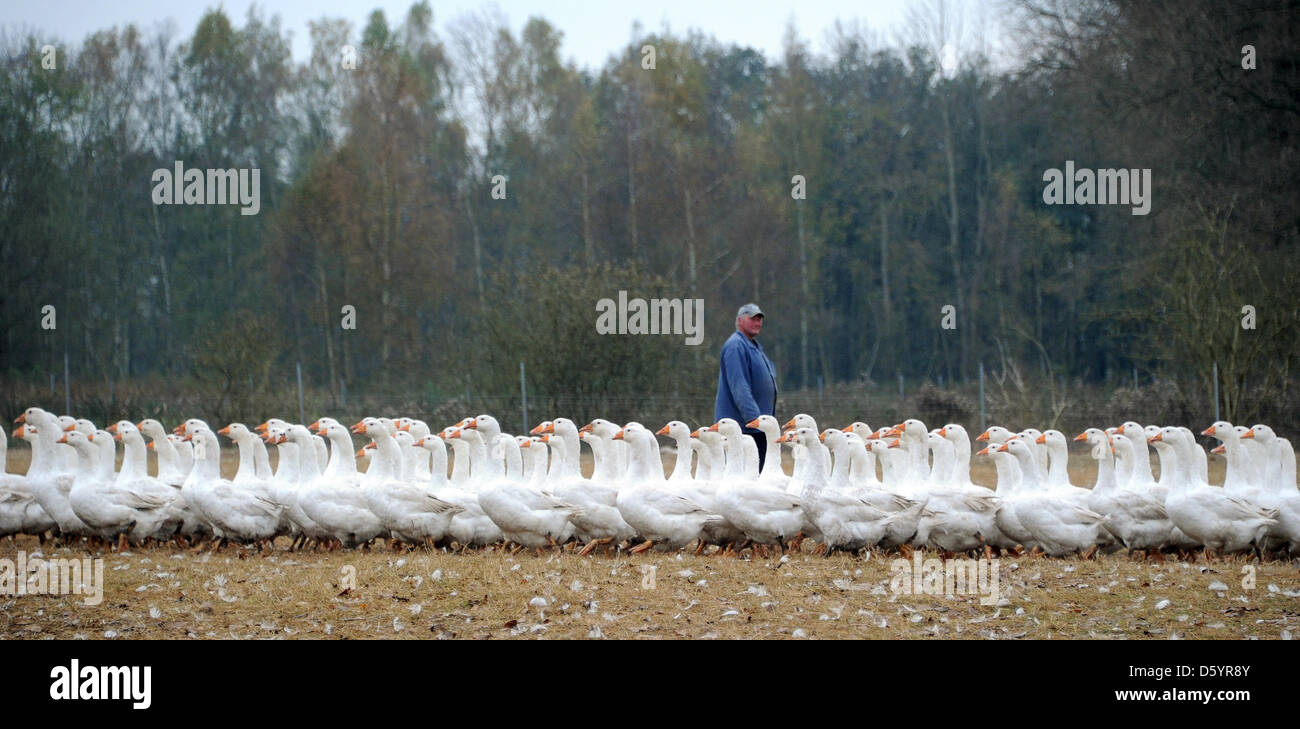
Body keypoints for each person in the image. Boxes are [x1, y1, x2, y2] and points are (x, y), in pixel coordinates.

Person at [714, 303, 778, 470]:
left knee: (756, 479)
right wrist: (755, 421)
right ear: (740, 321)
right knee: (742, 479)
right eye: (752, 319)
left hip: (756, 429)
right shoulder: (736, 346)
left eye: (759, 319)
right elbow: (739, 387)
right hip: (743, 431)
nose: (757, 323)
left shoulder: (754, 346)